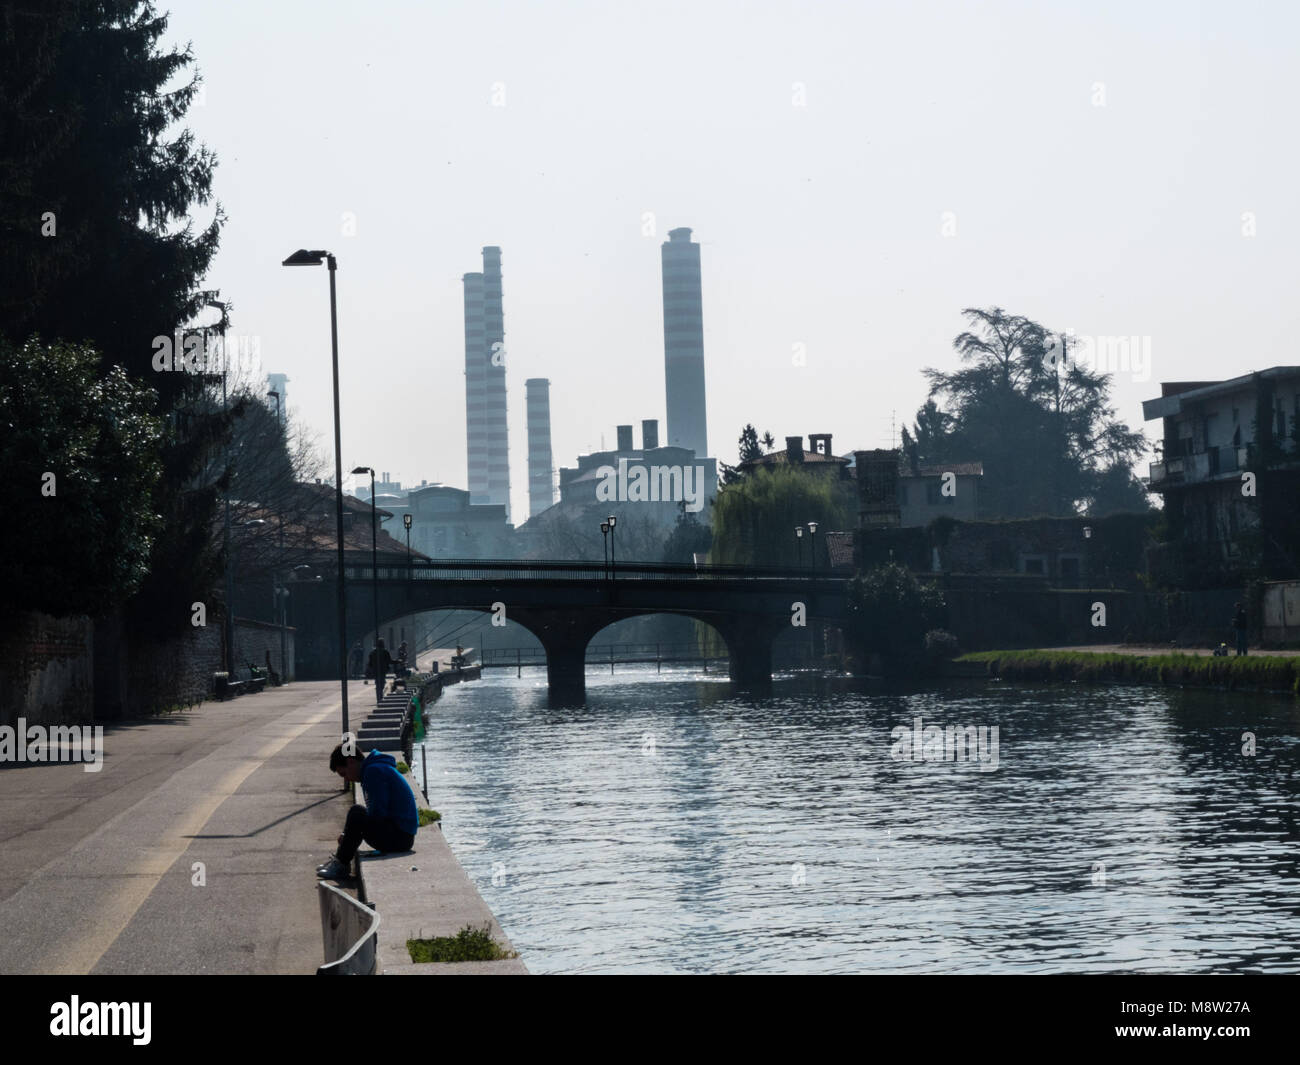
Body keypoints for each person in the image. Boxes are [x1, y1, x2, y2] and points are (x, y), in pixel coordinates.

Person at [316, 744, 418, 880]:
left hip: (399, 838)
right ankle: (341, 860)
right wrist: (348, 835)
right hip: (402, 835)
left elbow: (378, 813)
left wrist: (349, 836)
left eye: (344, 773)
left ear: (350, 761)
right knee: (358, 813)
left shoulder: (373, 772)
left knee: (357, 812)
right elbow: (377, 813)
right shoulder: (374, 769)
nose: (346, 779)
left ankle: (341, 864)